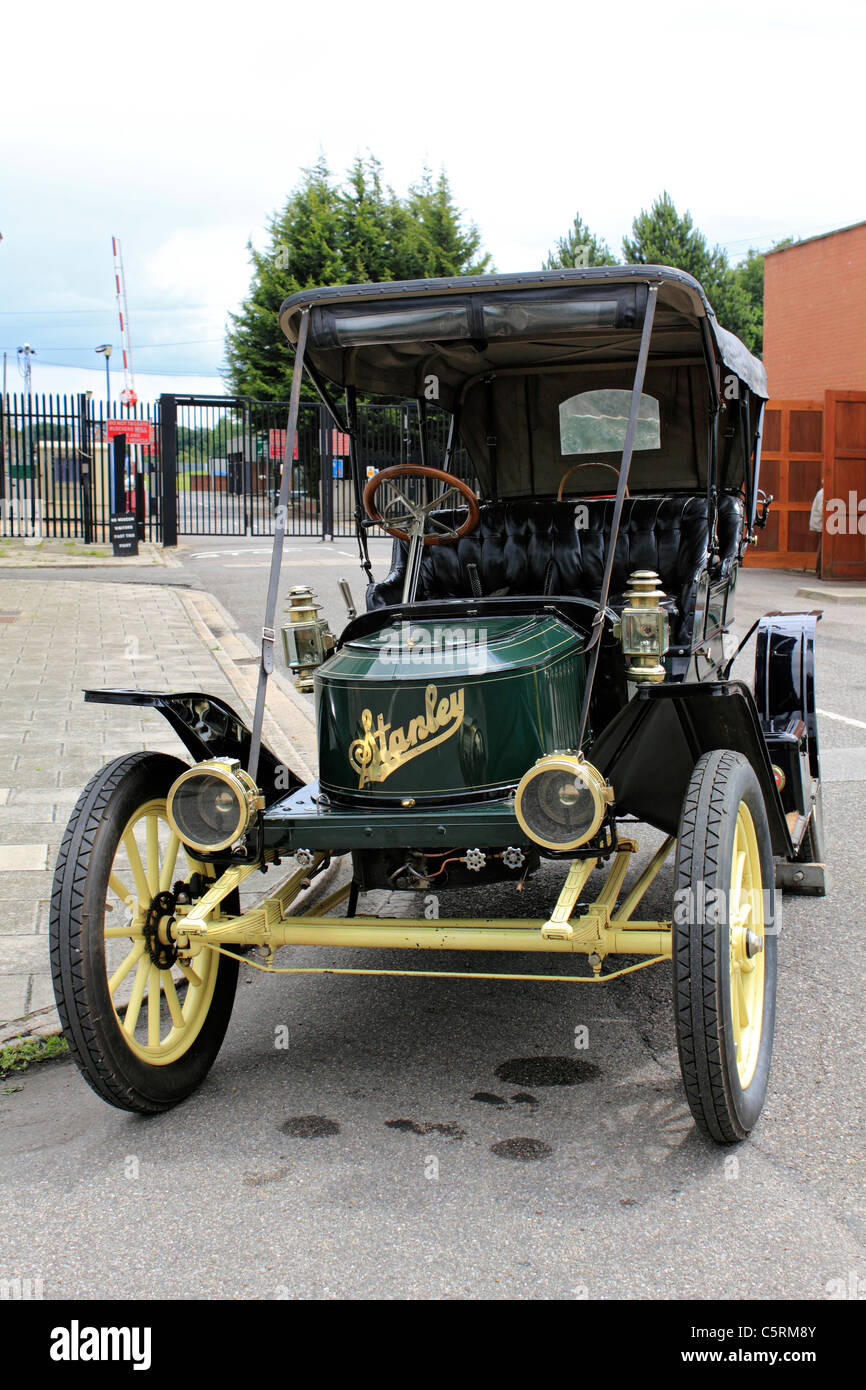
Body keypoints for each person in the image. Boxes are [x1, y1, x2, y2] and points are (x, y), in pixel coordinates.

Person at [809, 486, 824, 575]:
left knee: (822, 546)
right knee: (823, 547)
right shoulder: (824, 492)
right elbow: (823, 510)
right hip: (822, 523)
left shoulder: (822, 491)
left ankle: (819, 571)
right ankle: (819, 571)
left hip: (821, 522)